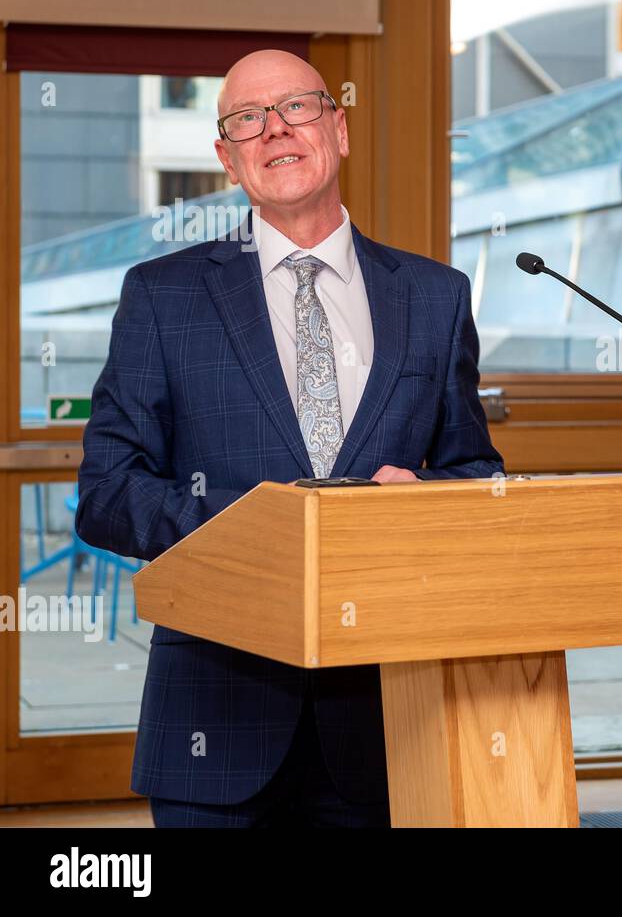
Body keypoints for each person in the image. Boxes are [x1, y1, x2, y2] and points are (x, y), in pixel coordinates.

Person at [75, 49, 505, 827]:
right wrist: (258, 530)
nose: (275, 129)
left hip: (385, 726)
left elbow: (477, 472)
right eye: (247, 119)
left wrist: (424, 500)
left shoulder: (437, 298)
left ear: (338, 130)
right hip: (215, 722)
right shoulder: (162, 296)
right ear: (227, 158)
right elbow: (106, 492)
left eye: (298, 108)